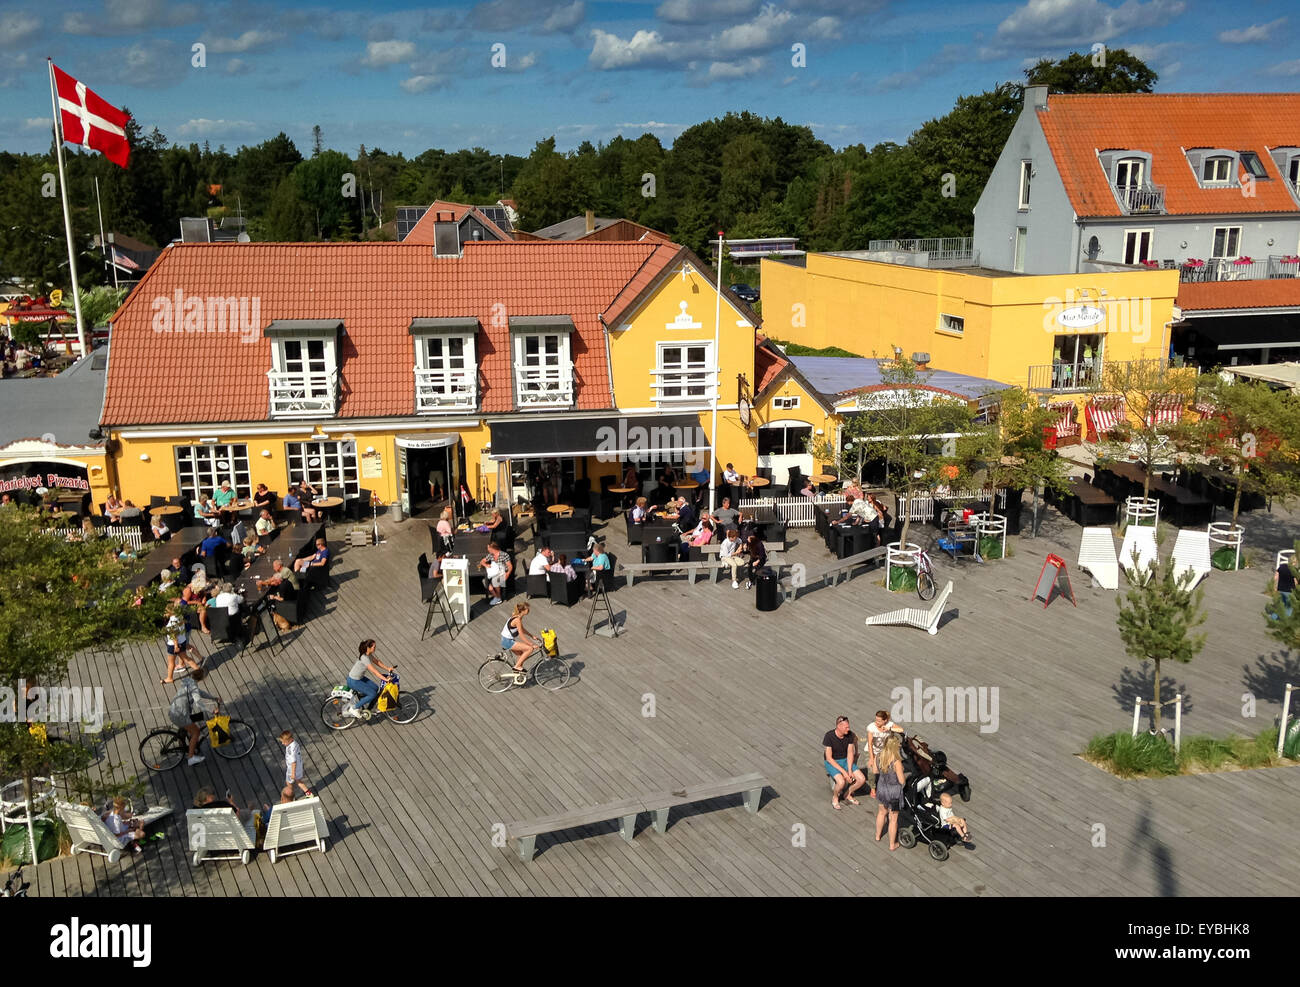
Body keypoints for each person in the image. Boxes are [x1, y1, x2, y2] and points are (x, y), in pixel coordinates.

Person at [167, 667, 218, 765]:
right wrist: (211, 710)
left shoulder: (188, 680)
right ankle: (191, 758)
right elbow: (198, 702)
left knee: (189, 726)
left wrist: (213, 698)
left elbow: (199, 693)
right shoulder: (193, 686)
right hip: (180, 715)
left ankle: (182, 750)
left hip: (174, 710)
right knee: (196, 732)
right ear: (202, 678)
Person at [823, 716, 867, 810]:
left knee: (861, 779)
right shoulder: (829, 736)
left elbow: (850, 753)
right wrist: (844, 772)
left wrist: (850, 770)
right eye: (846, 727)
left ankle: (848, 793)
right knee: (841, 782)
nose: (848, 729)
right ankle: (835, 797)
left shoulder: (850, 735)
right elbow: (829, 758)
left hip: (845, 760)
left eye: (848, 727)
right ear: (839, 726)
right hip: (832, 762)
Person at [874, 732, 907, 850]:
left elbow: (875, 771)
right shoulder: (896, 762)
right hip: (894, 793)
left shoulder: (879, 756)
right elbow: (902, 781)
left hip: (882, 788)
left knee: (881, 813)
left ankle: (878, 836)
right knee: (893, 820)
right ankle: (892, 844)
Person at [346, 638, 394, 718]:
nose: (375, 648)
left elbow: (377, 662)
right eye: (374, 647)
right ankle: (354, 708)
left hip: (359, 678)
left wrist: (387, 668)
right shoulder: (365, 658)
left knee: (375, 688)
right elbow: (374, 671)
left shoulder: (368, 655)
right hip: (353, 681)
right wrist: (385, 679)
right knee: (373, 694)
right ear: (368, 648)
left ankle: (369, 708)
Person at [865, 710, 903, 798]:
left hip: (884, 751)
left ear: (885, 721)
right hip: (873, 750)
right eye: (876, 720)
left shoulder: (889, 724)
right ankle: (873, 788)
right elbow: (870, 743)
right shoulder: (871, 727)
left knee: (886, 767)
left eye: (879, 720)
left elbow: (901, 730)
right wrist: (871, 758)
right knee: (871, 769)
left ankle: (886, 784)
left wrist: (889, 729)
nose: (876, 722)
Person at [161, 602, 203, 683]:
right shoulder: (180, 617)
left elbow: (174, 636)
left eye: (166, 611)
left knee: (171, 662)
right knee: (186, 658)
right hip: (183, 641)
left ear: (170, 612)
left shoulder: (171, 624)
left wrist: (176, 646)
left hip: (174, 645)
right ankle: (198, 670)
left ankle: (169, 678)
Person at [501, 602, 542, 674]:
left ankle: (517, 675)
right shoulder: (517, 620)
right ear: (522, 610)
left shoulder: (517, 616)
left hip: (505, 640)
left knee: (520, 654)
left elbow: (522, 629)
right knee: (529, 649)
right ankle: (516, 667)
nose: (529, 610)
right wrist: (531, 645)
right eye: (527, 609)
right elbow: (521, 636)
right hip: (508, 642)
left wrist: (531, 636)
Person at [279, 730, 313, 803]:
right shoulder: (295, 743)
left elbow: (293, 762)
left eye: (284, 742)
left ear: (290, 740)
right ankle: (309, 794)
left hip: (292, 769)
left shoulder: (291, 750)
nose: (282, 743)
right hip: (299, 768)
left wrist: (293, 773)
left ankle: (290, 797)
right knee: (299, 782)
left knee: (289, 783)